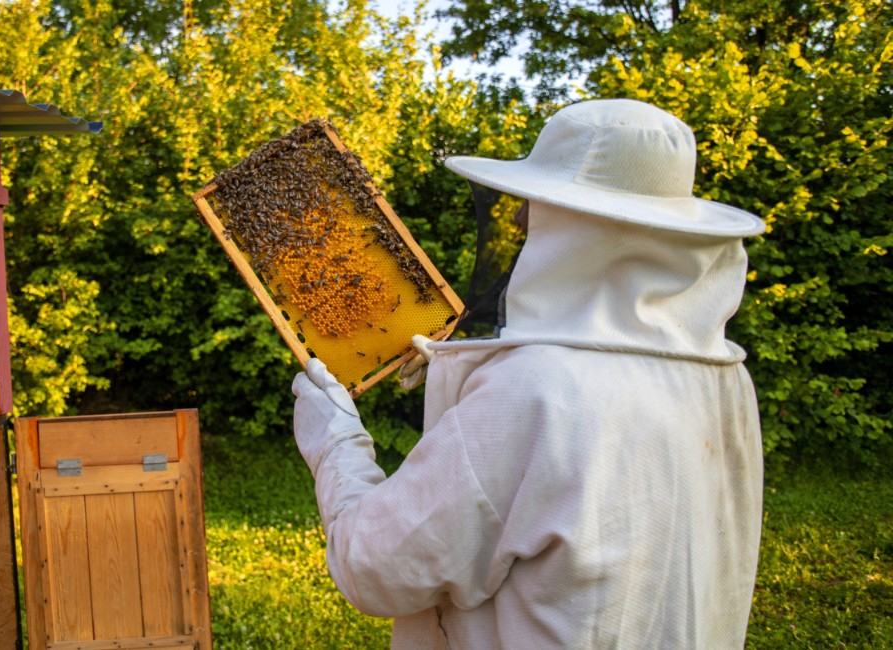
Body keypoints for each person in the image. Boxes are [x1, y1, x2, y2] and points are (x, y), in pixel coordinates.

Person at [291, 98, 766, 648]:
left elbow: (375, 567)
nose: (519, 219)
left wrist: (335, 442)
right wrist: (458, 370)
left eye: (536, 205)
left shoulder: (533, 391)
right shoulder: (726, 379)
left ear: (577, 226)